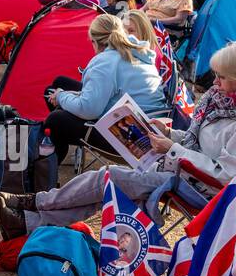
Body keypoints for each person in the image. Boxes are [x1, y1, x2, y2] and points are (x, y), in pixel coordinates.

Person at [0, 41, 236, 238]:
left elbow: (227, 175)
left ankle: (34, 204)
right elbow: (199, 141)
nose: (215, 83)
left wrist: (174, 149)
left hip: (207, 190)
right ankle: (29, 220)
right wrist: (169, 134)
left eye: (222, 77)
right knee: (109, 182)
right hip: (184, 171)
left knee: (108, 177)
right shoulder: (223, 102)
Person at [42, 13, 164, 164]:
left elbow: (89, 109)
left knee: (56, 120)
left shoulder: (106, 61)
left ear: (95, 41)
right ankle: (53, 155)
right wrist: (67, 95)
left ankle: (46, 174)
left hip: (135, 141)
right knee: (59, 83)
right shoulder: (137, 51)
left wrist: (61, 97)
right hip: (152, 129)